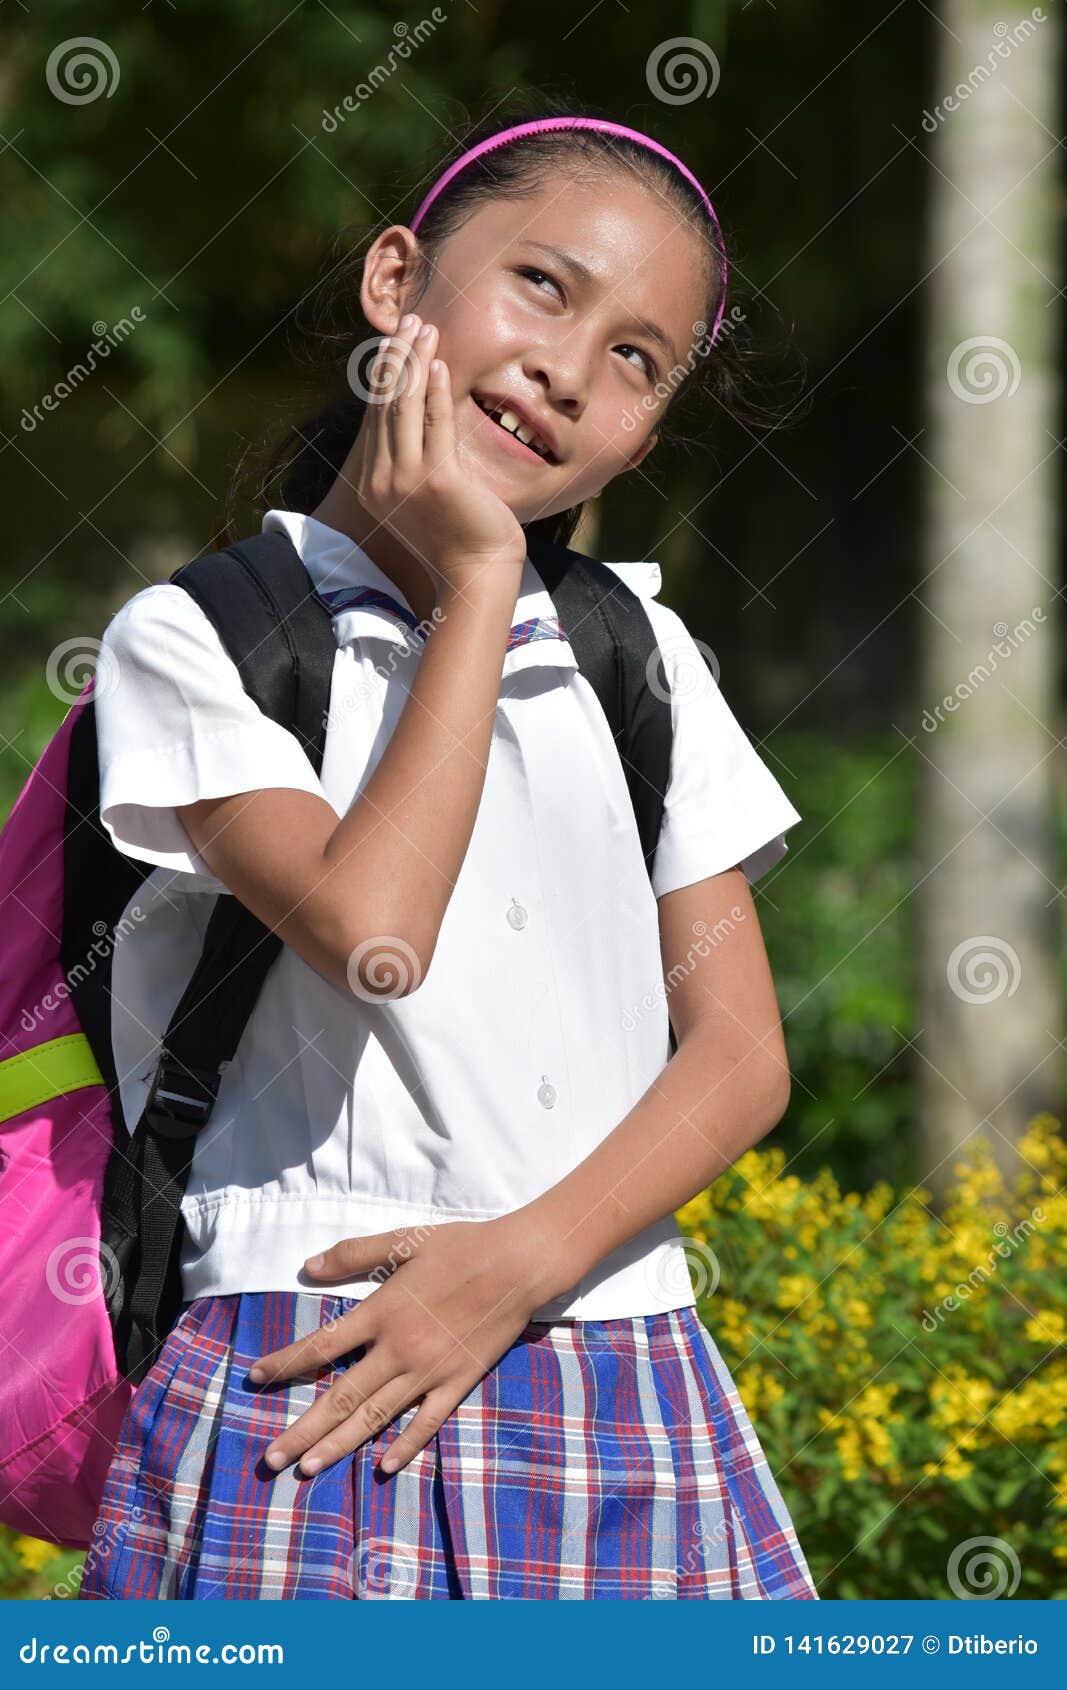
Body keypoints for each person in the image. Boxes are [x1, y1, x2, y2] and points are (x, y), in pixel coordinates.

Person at [78, 99, 818, 1601]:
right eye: (541, 284)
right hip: (316, 1373)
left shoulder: (637, 652)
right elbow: (376, 929)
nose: (566, 365)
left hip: (614, 1355)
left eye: (636, 358)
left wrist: (518, 1263)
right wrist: (479, 583)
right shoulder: (202, 639)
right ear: (395, 282)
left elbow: (740, 1056)